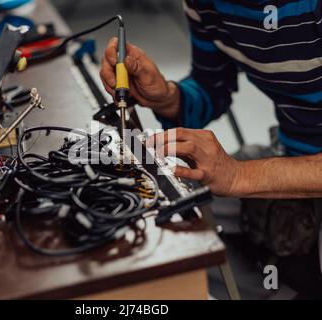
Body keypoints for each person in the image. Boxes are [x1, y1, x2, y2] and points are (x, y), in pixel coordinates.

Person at [100, 0, 322, 298]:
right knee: (162, 226)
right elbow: (211, 86)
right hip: (293, 150)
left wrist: (240, 175)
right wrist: (165, 97)